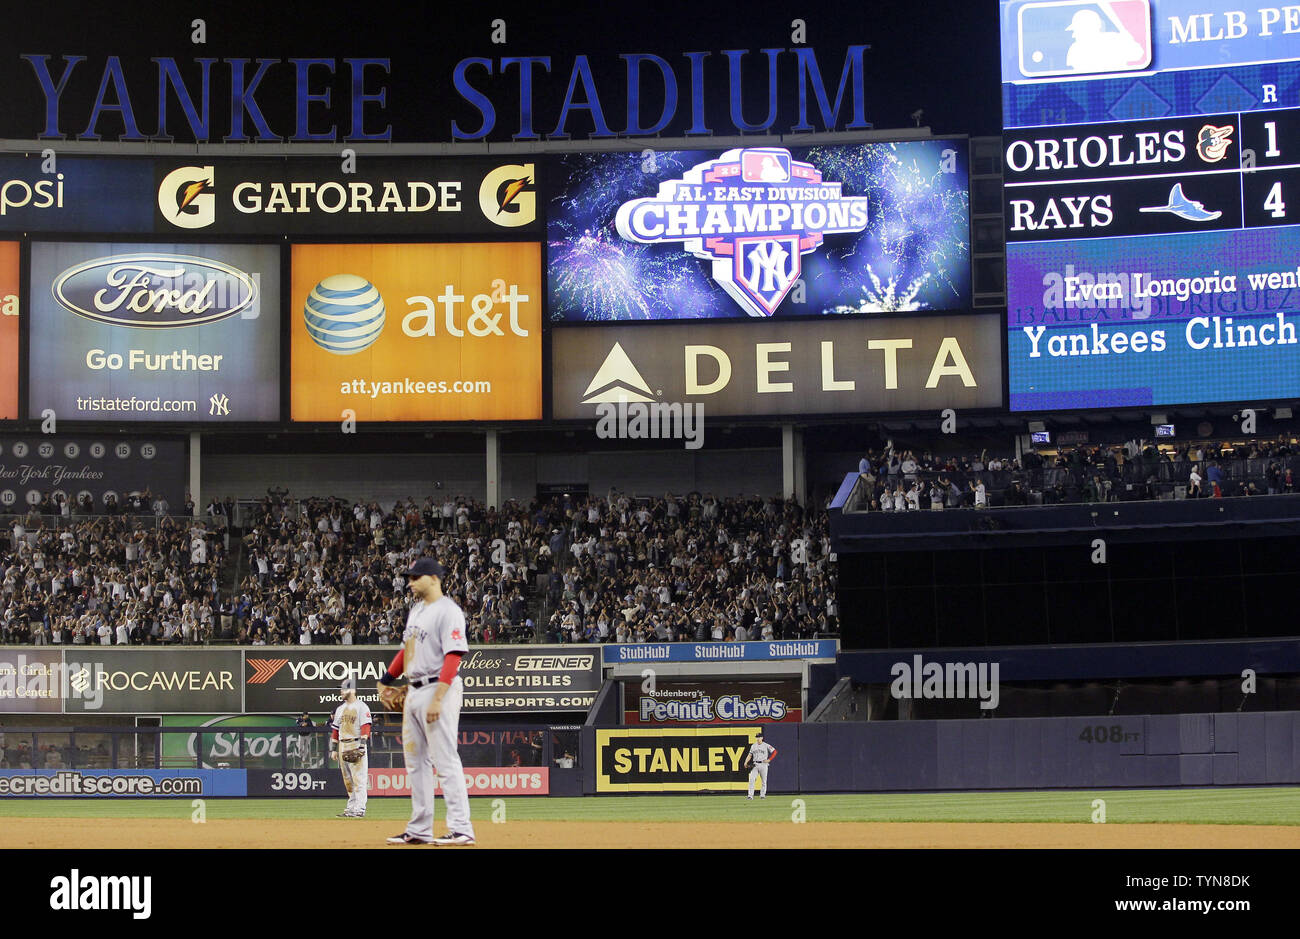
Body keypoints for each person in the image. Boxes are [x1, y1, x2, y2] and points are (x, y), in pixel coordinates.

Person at [378, 558, 474, 846]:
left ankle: (461, 829)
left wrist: (439, 698)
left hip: (438, 688)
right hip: (414, 690)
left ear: (434, 578)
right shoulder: (417, 610)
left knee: (445, 760)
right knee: (415, 763)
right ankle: (419, 829)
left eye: (415, 577)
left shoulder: (449, 611)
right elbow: (407, 650)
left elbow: (453, 656)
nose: (410, 582)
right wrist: (386, 679)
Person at [329, 677, 372, 818]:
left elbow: (366, 727)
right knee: (348, 780)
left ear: (352, 690)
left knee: (359, 779)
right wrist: (333, 749)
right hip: (343, 744)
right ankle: (351, 808)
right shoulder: (340, 709)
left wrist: (362, 746)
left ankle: (360, 809)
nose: (341, 692)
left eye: (343, 689)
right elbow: (335, 729)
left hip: (355, 743)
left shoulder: (361, 706)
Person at [744, 729, 777, 800]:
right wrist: (745, 762)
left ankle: (762, 795)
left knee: (764, 781)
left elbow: (774, 752)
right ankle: (750, 796)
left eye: (759, 737)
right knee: (751, 779)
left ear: (762, 738)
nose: (758, 738)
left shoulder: (766, 745)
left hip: (764, 764)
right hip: (755, 764)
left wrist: (769, 760)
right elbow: (749, 755)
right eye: (757, 737)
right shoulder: (753, 746)